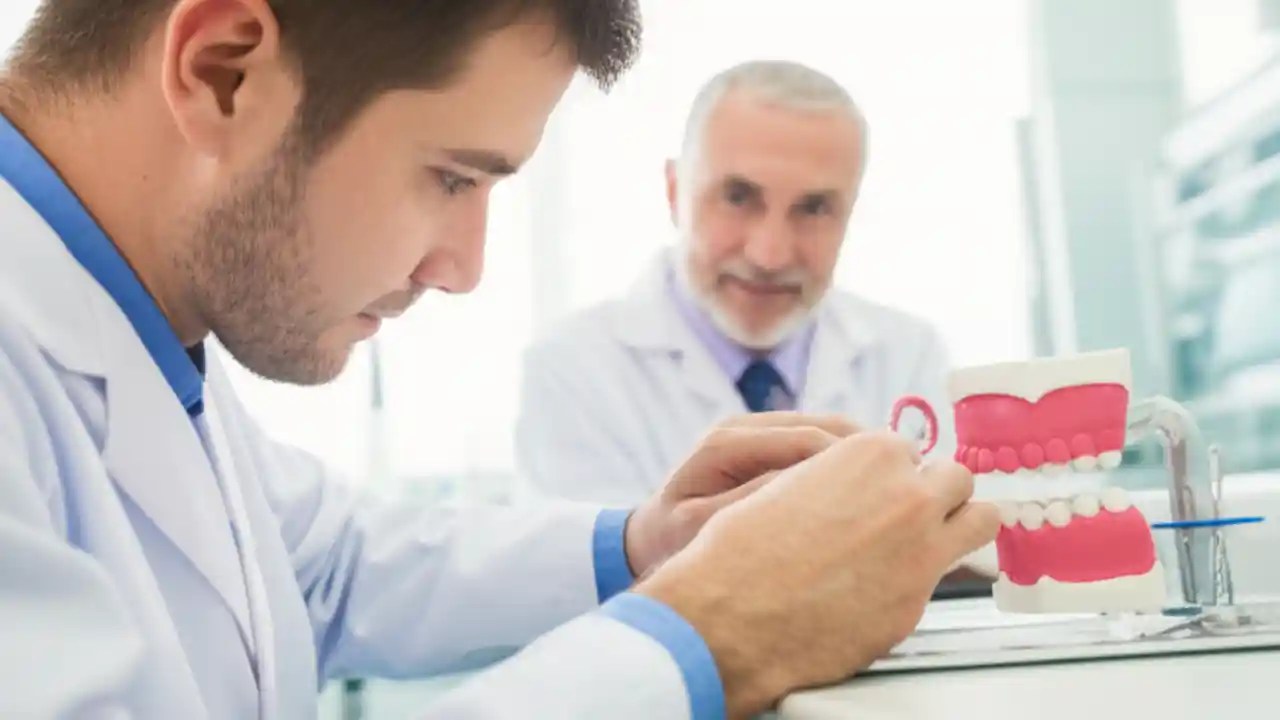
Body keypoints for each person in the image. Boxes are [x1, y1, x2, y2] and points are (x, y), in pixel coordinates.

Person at [0, 2, 998, 719]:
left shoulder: (132, 322)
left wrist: (649, 545)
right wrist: (709, 635)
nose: (462, 269)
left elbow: (330, 567)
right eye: (450, 177)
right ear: (224, 71)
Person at [516, 60, 954, 506]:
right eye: (737, 197)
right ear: (674, 192)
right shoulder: (573, 372)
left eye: (814, 208)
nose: (769, 255)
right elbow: (593, 553)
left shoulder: (908, 357)